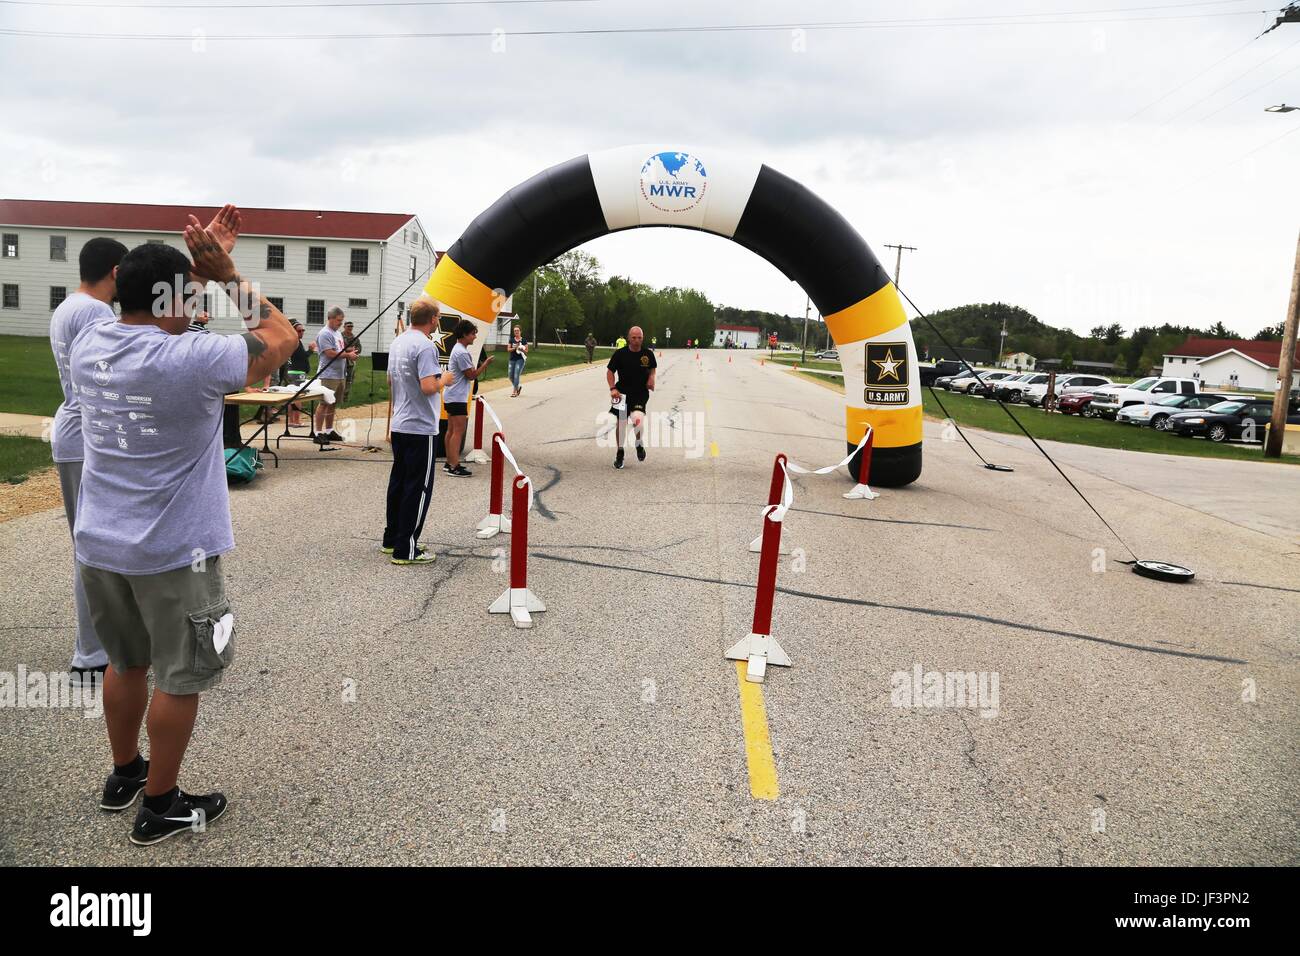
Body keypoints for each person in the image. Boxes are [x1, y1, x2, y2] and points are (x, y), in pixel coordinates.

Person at [70, 213, 297, 846]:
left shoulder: (90, 342)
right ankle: (161, 802)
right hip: (174, 552)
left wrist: (192, 271)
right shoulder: (195, 359)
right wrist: (226, 274)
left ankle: (125, 776)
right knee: (179, 675)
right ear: (178, 297)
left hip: (100, 542)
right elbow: (280, 337)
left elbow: (150, 299)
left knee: (125, 661)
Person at [48, 236, 130, 685]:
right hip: (87, 438)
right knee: (95, 548)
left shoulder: (66, 307)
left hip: (72, 432)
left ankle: (102, 645)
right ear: (116, 272)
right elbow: (110, 376)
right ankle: (91, 654)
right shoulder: (97, 312)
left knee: (91, 546)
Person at [382, 299, 446, 564]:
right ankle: (406, 547)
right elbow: (429, 386)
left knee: (398, 481)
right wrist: (446, 379)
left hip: (400, 423)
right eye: (437, 318)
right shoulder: (425, 346)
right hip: (421, 426)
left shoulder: (398, 341)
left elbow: (390, 379)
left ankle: (392, 537)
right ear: (432, 319)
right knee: (417, 487)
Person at [444, 319, 493, 477]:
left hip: (452, 394)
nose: (474, 337)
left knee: (451, 430)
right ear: (464, 334)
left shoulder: (457, 349)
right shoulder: (462, 352)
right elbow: (471, 375)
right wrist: (484, 364)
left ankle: (449, 462)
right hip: (457, 396)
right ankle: (454, 465)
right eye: (472, 334)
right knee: (458, 431)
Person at [606, 325, 657, 469]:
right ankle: (620, 452)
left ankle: (639, 444)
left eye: (639, 338)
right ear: (629, 338)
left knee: (637, 419)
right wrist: (612, 388)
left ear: (643, 338)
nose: (636, 340)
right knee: (621, 423)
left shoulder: (648, 354)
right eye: (634, 338)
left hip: (640, 393)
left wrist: (651, 378)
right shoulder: (620, 354)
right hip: (621, 394)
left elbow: (652, 369)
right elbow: (610, 372)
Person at [313, 307, 357, 443]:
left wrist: (350, 351)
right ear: (331, 318)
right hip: (328, 374)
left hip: (339, 374)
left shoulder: (337, 333)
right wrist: (348, 355)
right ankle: (318, 433)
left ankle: (329, 430)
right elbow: (330, 353)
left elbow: (339, 349)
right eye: (338, 320)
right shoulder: (325, 334)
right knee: (324, 403)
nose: (340, 323)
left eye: (342, 321)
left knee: (332, 403)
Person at [279, 320, 316, 425]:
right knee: (298, 396)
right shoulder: (295, 341)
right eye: (299, 331)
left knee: (292, 395)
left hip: (291, 370)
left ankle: (291, 421)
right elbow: (302, 356)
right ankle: (296, 421)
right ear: (293, 331)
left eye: (303, 330)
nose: (302, 332)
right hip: (297, 371)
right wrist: (311, 350)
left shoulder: (292, 341)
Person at [342, 320, 362, 402]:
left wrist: (354, 351)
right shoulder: (339, 336)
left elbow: (359, 348)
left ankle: (345, 397)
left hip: (350, 362)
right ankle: (338, 396)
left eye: (351, 327)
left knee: (349, 379)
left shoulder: (355, 338)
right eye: (348, 326)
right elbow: (338, 347)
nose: (350, 328)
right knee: (341, 378)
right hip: (341, 361)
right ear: (344, 327)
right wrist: (348, 349)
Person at [507, 325, 528, 397]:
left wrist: (522, 349)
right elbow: (508, 349)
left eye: (517, 330)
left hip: (520, 359)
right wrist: (515, 347)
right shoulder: (511, 340)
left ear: (520, 331)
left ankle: (515, 391)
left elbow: (526, 351)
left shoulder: (524, 340)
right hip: (512, 359)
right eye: (515, 331)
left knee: (516, 375)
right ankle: (518, 387)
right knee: (510, 376)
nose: (516, 332)